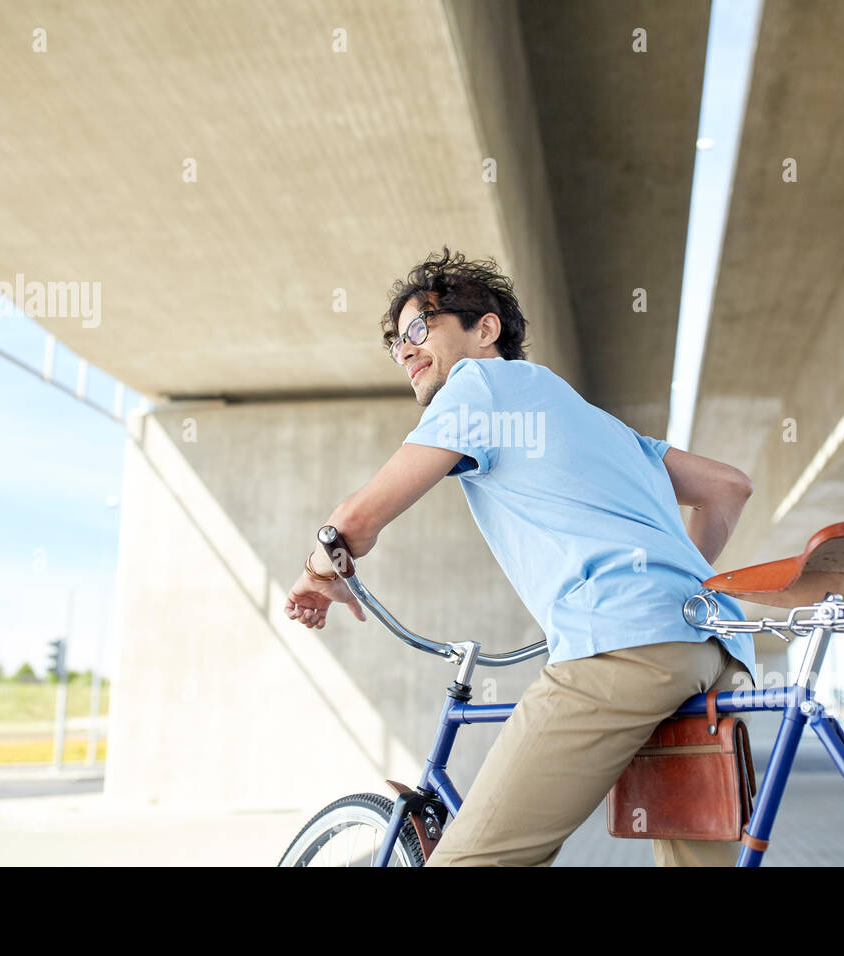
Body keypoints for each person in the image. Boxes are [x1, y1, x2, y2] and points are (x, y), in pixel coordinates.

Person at [283, 247, 758, 866]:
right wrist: (673, 598)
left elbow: (354, 520)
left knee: (472, 860)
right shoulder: (595, 422)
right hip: (714, 651)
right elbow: (729, 487)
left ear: (486, 329)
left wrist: (319, 574)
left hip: (623, 647)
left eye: (421, 328)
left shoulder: (478, 385)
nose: (405, 349)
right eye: (397, 343)